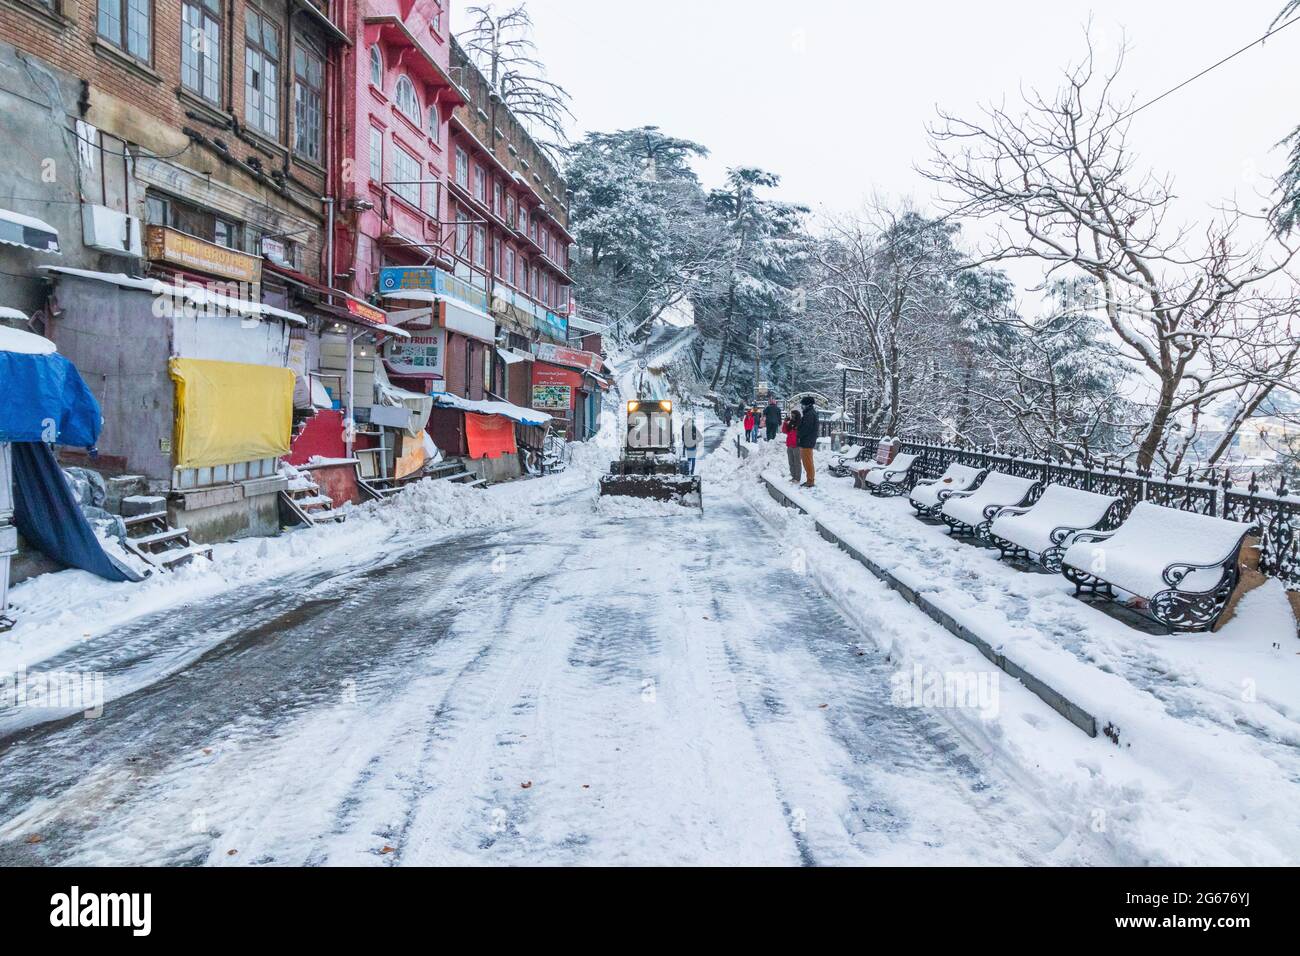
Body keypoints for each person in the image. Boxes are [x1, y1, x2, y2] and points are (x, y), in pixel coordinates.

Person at [797, 396, 819, 487]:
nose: (802, 406)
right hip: (807, 440)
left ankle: (810, 480)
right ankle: (810, 479)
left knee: (807, 462)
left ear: (807, 404)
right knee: (807, 461)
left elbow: (806, 428)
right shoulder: (810, 413)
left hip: (807, 441)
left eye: (803, 404)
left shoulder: (810, 414)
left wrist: (798, 434)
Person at [782, 409, 802, 483]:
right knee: (791, 462)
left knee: (797, 462)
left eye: (793, 415)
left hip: (796, 445)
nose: (792, 416)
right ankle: (793, 476)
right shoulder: (791, 422)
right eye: (791, 414)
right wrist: (785, 422)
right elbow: (785, 431)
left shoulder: (800, 422)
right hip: (789, 444)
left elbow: (799, 433)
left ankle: (797, 478)